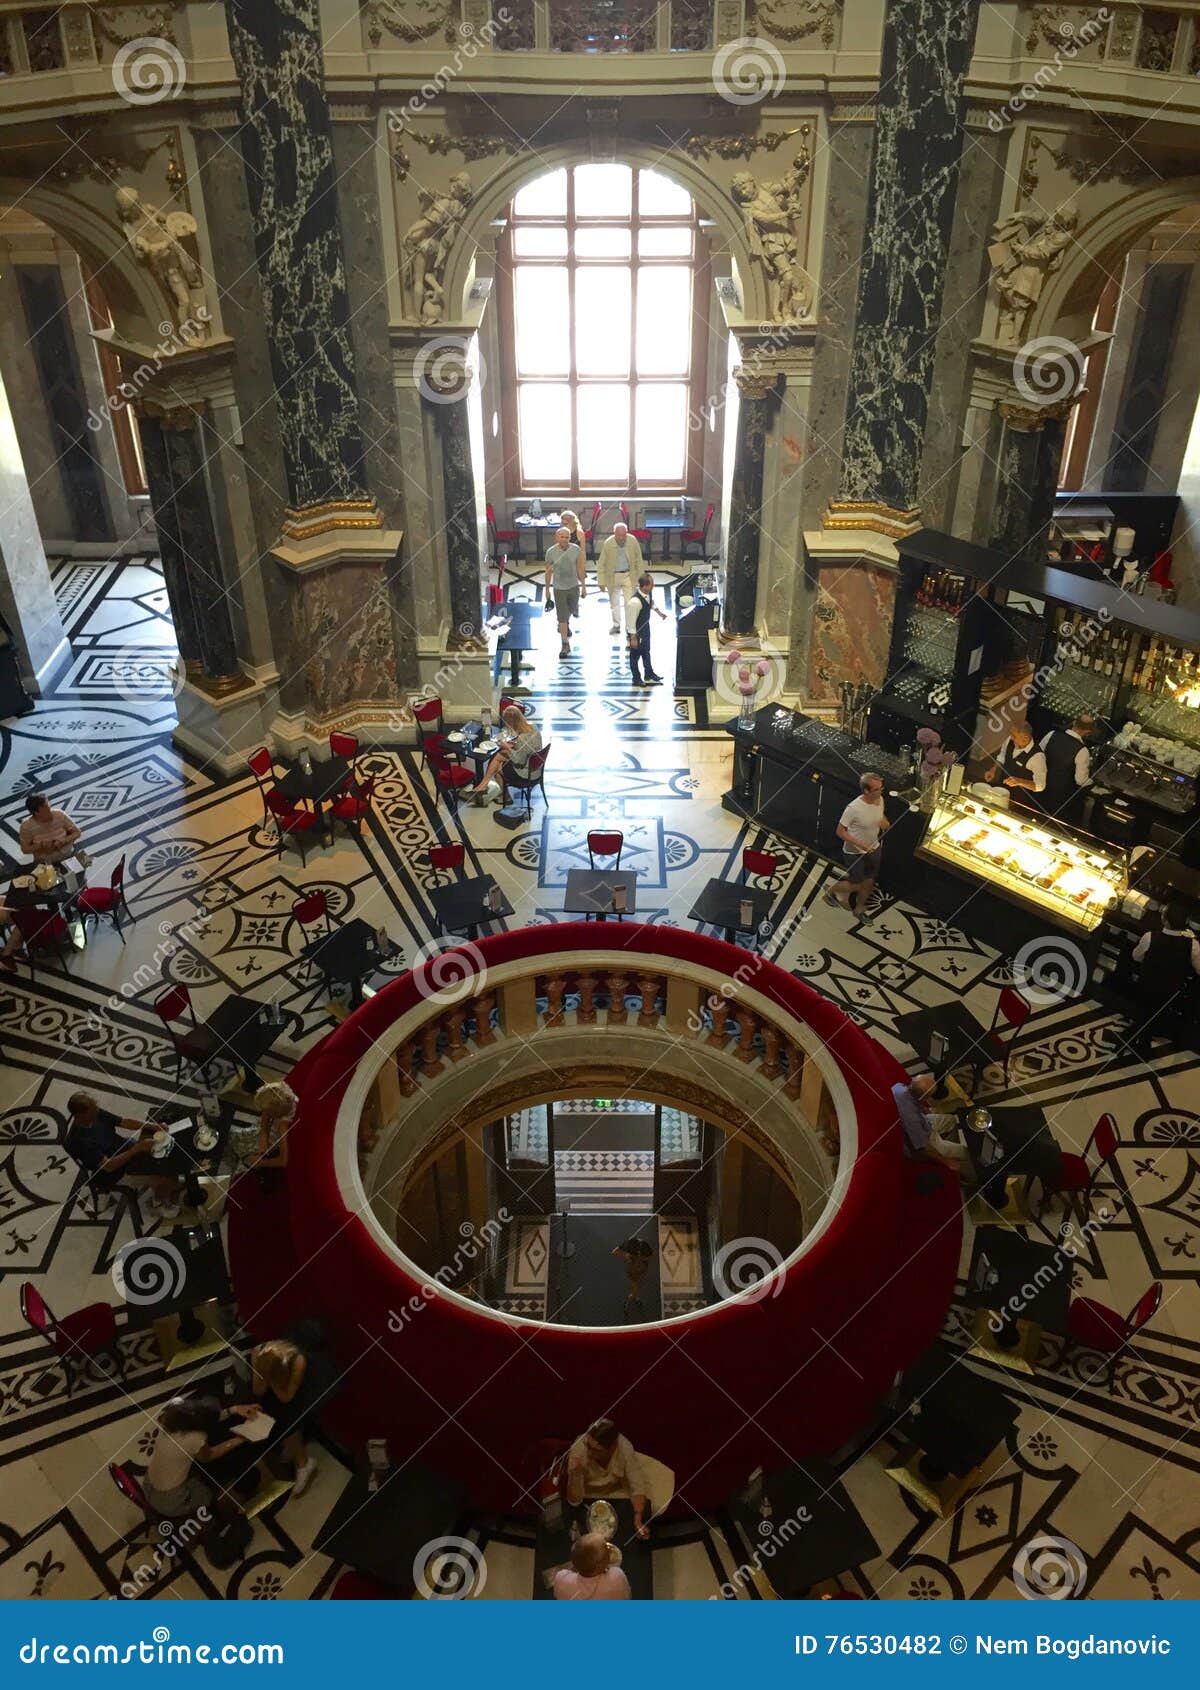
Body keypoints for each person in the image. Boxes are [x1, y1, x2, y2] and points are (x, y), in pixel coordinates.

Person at [236, 1330, 332, 1497]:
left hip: (305, 1385)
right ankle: (292, 1445)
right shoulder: (258, 1353)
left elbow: (286, 1397)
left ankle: (303, 1462)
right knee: (262, 1407)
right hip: (278, 1384)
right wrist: (264, 1377)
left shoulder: (298, 1360)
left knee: (283, 1416)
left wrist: (270, 1380)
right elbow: (258, 1391)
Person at [65, 1091, 183, 1214]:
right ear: (81, 1115)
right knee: (160, 1171)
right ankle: (157, 1204)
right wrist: (137, 1148)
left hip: (126, 1148)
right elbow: (108, 1166)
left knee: (164, 1154)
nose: (97, 1109)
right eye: (93, 1108)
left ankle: (167, 1184)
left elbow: (124, 1122)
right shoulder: (80, 1141)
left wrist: (154, 1126)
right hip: (114, 1170)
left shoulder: (94, 1114)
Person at [142, 1395, 249, 1519]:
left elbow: (205, 1419)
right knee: (210, 1493)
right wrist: (240, 1439)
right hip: (171, 1501)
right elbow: (208, 1456)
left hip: (148, 1484)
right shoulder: (195, 1438)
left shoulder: (169, 1421)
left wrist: (233, 1410)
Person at [1130, 901, 1200, 1053]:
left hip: (1145, 986)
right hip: (1171, 992)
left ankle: (1140, 1036)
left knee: (1146, 1008)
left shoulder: (1150, 937)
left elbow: (1136, 956)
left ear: (1164, 920)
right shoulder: (1193, 945)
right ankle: (1147, 1033)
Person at [565, 1418, 651, 1539]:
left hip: (615, 1494)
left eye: (595, 1450)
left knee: (628, 1534)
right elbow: (574, 1500)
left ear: (613, 1448)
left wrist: (638, 1520)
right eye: (588, 1446)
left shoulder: (624, 1447)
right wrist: (575, 1473)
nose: (589, 1453)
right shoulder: (579, 1448)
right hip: (587, 1497)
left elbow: (637, 1486)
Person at [824, 772, 889, 919]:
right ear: (866, 790)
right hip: (854, 852)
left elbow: (880, 815)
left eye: (881, 788)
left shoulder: (880, 799)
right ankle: (831, 890)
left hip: (874, 848)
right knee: (857, 883)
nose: (880, 791)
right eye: (877, 789)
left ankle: (859, 909)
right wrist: (861, 845)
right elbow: (840, 831)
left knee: (870, 881)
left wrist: (884, 822)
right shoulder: (853, 808)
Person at [892, 1075, 967, 1168]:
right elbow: (923, 1148)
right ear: (924, 1098)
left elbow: (910, 1101)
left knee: (951, 1120)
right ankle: (970, 1178)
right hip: (924, 1140)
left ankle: (947, 1145)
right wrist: (947, 1161)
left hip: (923, 1121)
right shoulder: (912, 1120)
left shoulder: (898, 1087)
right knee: (963, 1151)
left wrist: (921, 1108)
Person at [469, 704, 542, 801]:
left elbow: (518, 760)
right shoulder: (533, 726)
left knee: (498, 768)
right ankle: (483, 785)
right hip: (536, 767)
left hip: (526, 773)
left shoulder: (522, 738)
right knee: (498, 756)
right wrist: (514, 745)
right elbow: (527, 749)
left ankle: (505, 797)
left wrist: (507, 746)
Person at [1038, 714, 1094, 824]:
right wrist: (1093, 782)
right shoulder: (1083, 751)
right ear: (1088, 732)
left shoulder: (1051, 734)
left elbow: (1037, 755)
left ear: (1073, 723)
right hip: (1060, 800)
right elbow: (1081, 780)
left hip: (1039, 790)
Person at [18, 792, 90, 868]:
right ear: (36, 812)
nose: (50, 811)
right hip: (44, 863)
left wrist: (63, 841)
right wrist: (41, 845)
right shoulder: (26, 826)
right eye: (47, 810)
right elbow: (25, 849)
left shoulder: (59, 814)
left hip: (68, 857)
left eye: (49, 806)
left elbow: (77, 833)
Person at [552, 1532, 631, 1601]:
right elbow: (627, 1598)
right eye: (607, 1552)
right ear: (600, 1566)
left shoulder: (561, 1578)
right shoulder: (617, 1577)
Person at [545, 526, 585, 658]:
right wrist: (547, 590)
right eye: (562, 537)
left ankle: (565, 623)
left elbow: (580, 568)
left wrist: (583, 586)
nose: (564, 539)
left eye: (567, 537)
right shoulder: (551, 552)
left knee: (571, 612)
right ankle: (564, 644)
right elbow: (548, 572)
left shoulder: (576, 550)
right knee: (562, 617)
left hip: (573, 587)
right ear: (557, 537)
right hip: (559, 589)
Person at [597, 523, 643, 637]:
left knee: (630, 604)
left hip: (628, 575)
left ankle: (630, 629)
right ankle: (616, 625)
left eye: (624, 535)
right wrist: (601, 581)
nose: (621, 538)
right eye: (619, 535)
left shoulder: (632, 540)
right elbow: (601, 563)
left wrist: (641, 578)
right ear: (614, 534)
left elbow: (639, 559)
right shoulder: (608, 543)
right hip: (613, 577)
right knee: (614, 603)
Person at [986, 722, 1046, 810]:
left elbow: (1040, 786)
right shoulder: (1009, 740)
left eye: (1014, 736)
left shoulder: (1038, 757)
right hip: (1000, 790)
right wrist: (993, 769)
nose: (1011, 737)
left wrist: (1020, 781)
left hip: (1018, 801)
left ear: (1025, 738)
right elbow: (1002, 756)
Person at [249, 1081, 297, 1191]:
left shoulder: (283, 1127)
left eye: (266, 1112)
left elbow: (284, 1161)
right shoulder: (287, 1096)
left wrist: (260, 1162)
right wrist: (263, 1134)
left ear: (275, 1115)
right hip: (273, 1131)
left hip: (280, 1144)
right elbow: (266, 1112)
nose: (264, 1114)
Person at [628, 573, 668, 689]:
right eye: (652, 584)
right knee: (635, 656)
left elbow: (650, 602)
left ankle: (649, 674)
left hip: (645, 629)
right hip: (636, 633)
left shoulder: (647, 593)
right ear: (644, 586)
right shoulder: (634, 602)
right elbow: (630, 623)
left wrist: (659, 612)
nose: (653, 586)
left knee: (646, 652)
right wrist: (633, 638)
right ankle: (636, 678)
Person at [612, 1236, 654, 1315]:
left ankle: (635, 1296)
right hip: (636, 1270)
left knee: (637, 1286)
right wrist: (640, 1259)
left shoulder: (628, 1243)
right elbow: (650, 1256)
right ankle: (629, 1302)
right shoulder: (644, 1246)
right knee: (636, 1287)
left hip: (634, 1269)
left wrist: (627, 1257)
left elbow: (614, 1252)